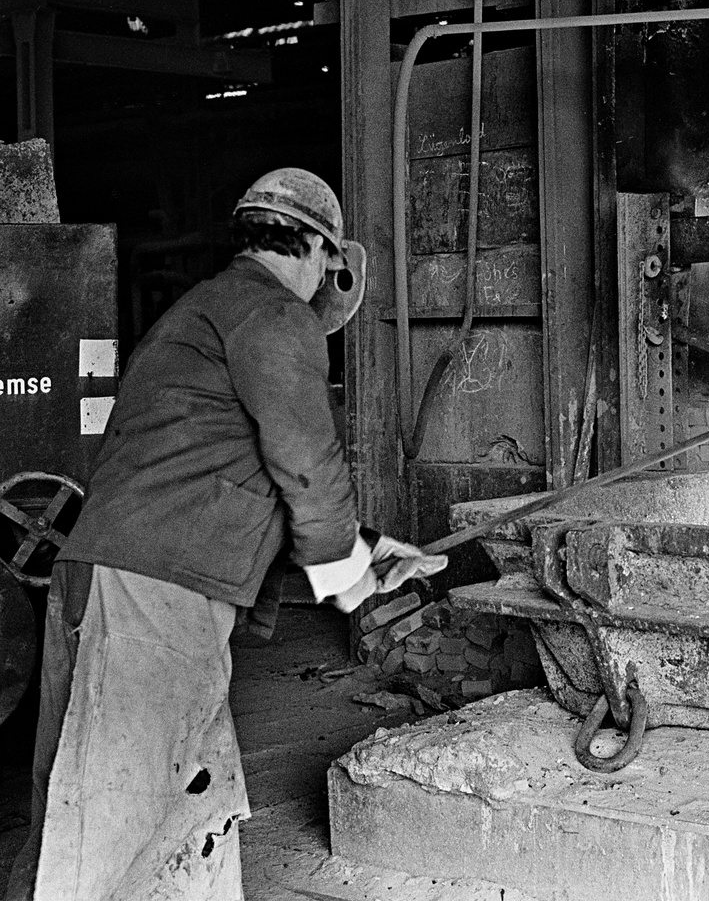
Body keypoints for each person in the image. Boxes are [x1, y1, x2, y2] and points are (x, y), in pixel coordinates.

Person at [5, 167, 444, 901]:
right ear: (312, 249)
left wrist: (364, 547)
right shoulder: (273, 317)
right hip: (154, 595)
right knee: (116, 816)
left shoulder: (206, 313)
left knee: (103, 803)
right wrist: (349, 579)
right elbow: (305, 458)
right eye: (327, 268)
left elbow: (231, 472)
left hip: (111, 573)